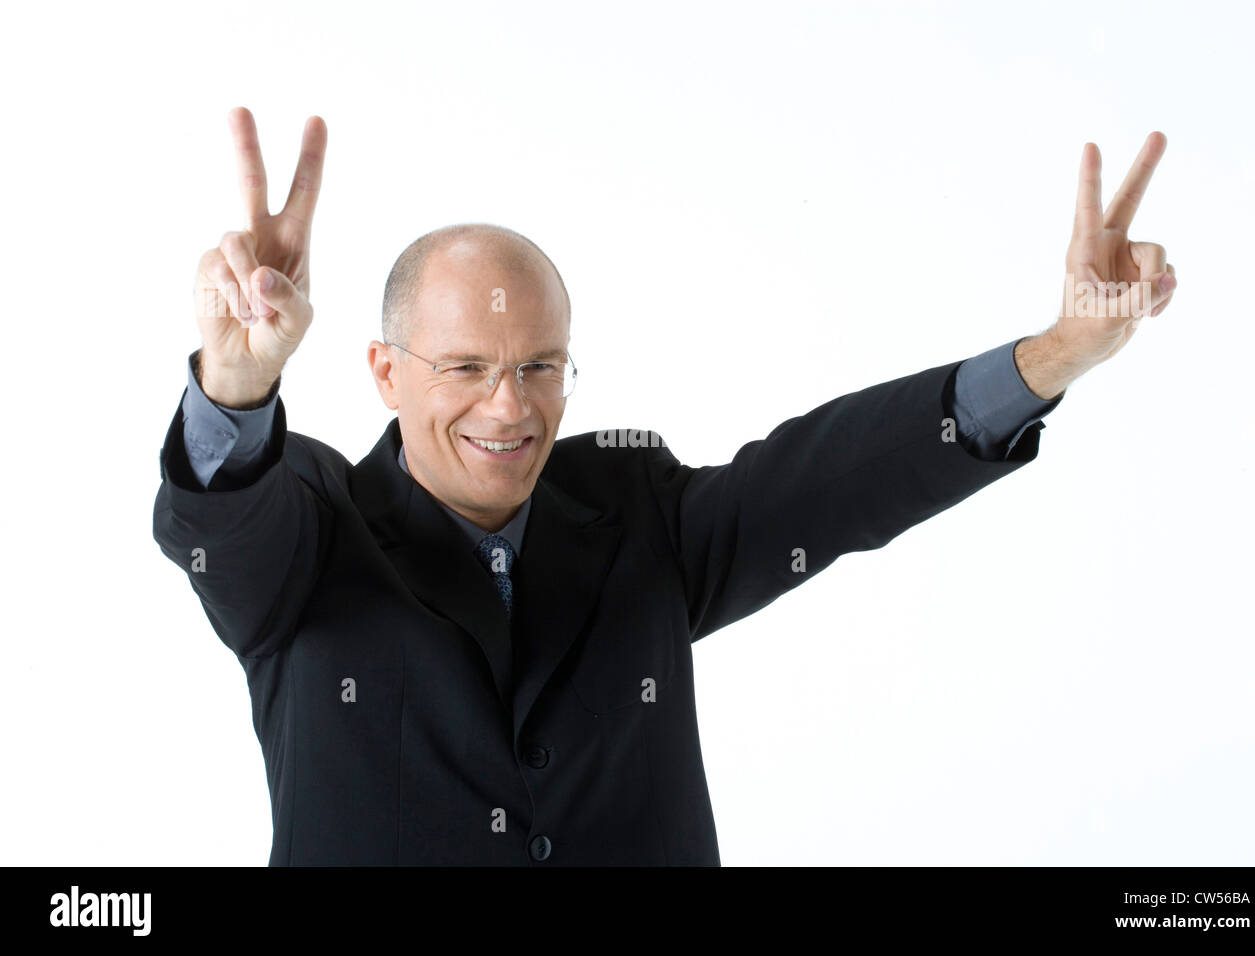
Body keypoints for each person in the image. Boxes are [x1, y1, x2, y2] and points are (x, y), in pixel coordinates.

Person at [152, 107, 1177, 865]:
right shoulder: (310, 531)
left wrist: (1053, 356)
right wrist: (238, 383)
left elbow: (823, 483)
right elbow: (226, 509)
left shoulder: (631, 504)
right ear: (385, 371)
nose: (509, 407)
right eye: (464, 368)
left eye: (539, 365)